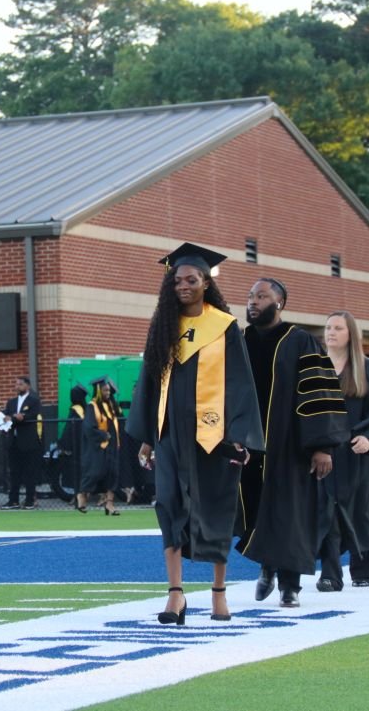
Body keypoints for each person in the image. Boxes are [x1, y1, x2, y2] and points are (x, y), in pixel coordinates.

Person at [128, 243, 263, 623]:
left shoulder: (223, 326)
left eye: (191, 279)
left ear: (206, 283)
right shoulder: (163, 328)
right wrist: (146, 436)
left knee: (216, 507)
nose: (183, 285)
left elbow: (239, 382)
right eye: (177, 280)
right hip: (170, 435)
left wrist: (239, 435)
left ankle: (219, 594)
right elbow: (149, 382)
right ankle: (175, 596)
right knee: (169, 506)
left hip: (213, 437)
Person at [237, 278, 348, 608]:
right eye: (250, 295)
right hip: (249, 448)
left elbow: (320, 394)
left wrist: (322, 446)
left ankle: (290, 585)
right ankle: (267, 566)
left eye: (262, 296)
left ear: (279, 303)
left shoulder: (301, 342)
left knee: (290, 515)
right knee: (256, 512)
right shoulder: (240, 342)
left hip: (290, 447)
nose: (253, 302)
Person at [316, 311, 369, 591]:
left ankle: (361, 566)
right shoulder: (314, 368)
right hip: (325, 452)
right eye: (328, 327)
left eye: (338, 328)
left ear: (351, 334)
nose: (331, 333)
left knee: (359, 511)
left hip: (357, 451)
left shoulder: (368, 370)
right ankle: (331, 574)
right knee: (328, 511)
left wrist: (367, 436)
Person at [81, 376, 123, 516]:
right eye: (105, 390)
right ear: (98, 391)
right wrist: (103, 435)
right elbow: (88, 427)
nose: (108, 393)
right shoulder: (91, 406)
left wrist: (114, 393)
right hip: (99, 446)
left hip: (112, 446)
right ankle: (82, 495)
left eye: (108, 391)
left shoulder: (109, 405)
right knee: (96, 473)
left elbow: (119, 414)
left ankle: (109, 504)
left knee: (113, 475)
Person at [0, 376, 42, 509]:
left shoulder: (34, 401)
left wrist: (16, 417)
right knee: (14, 472)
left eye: (20, 384)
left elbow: (30, 416)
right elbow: (8, 416)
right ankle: (13, 500)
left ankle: (30, 500)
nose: (17, 386)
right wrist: (12, 417)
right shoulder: (11, 402)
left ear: (27, 386)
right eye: (16, 384)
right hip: (14, 441)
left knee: (29, 472)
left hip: (29, 442)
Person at [59, 384, 88, 510]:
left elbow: (69, 430)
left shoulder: (76, 410)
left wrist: (63, 444)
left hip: (77, 448)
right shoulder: (85, 408)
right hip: (85, 446)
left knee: (77, 473)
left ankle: (78, 496)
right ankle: (80, 495)